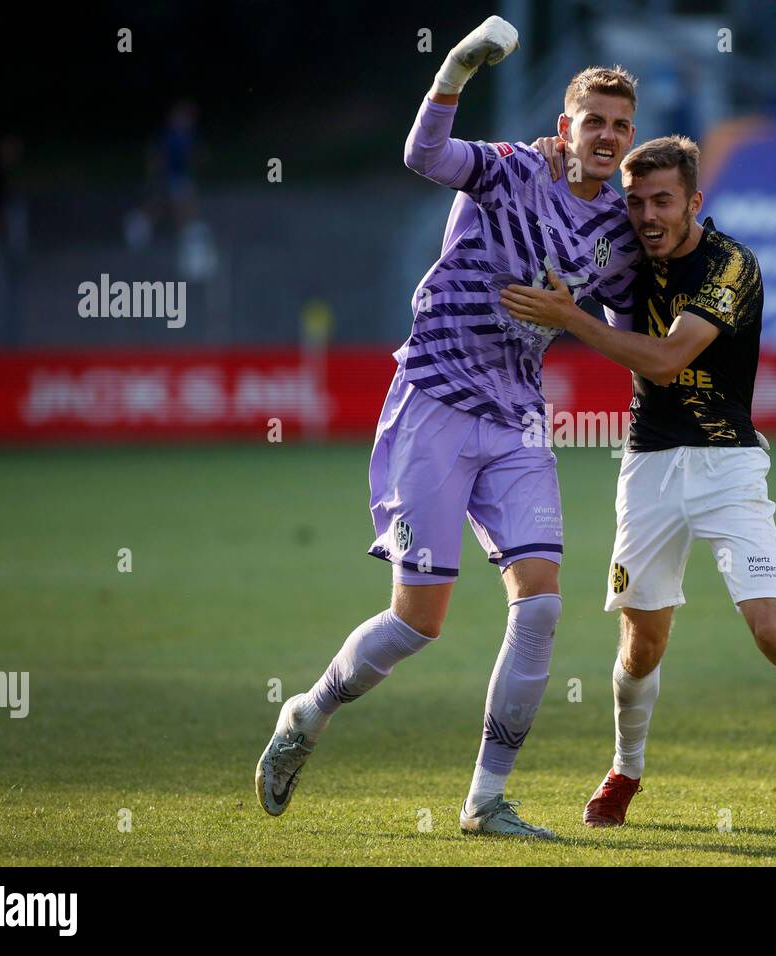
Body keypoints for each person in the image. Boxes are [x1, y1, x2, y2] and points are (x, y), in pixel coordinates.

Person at [255, 16, 642, 840]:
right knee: (417, 622)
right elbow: (423, 156)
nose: (607, 136)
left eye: (620, 125)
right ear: (566, 126)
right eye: (594, 121)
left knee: (540, 606)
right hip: (432, 400)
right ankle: (307, 713)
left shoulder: (616, 231)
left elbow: (625, 327)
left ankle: (485, 802)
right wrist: (457, 70)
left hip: (517, 420)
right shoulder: (512, 168)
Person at [502, 135, 776, 839]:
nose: (647, 216)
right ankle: (624, 771)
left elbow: (666, 360)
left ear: (693, 203)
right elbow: (563, 213)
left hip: (727, 465)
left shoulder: (730, 264)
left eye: (663, 201)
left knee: (772, 629)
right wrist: (545, 158)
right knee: (641, 644)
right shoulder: (625, 251)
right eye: (636, 202)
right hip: (648, 468)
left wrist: (570, 320)